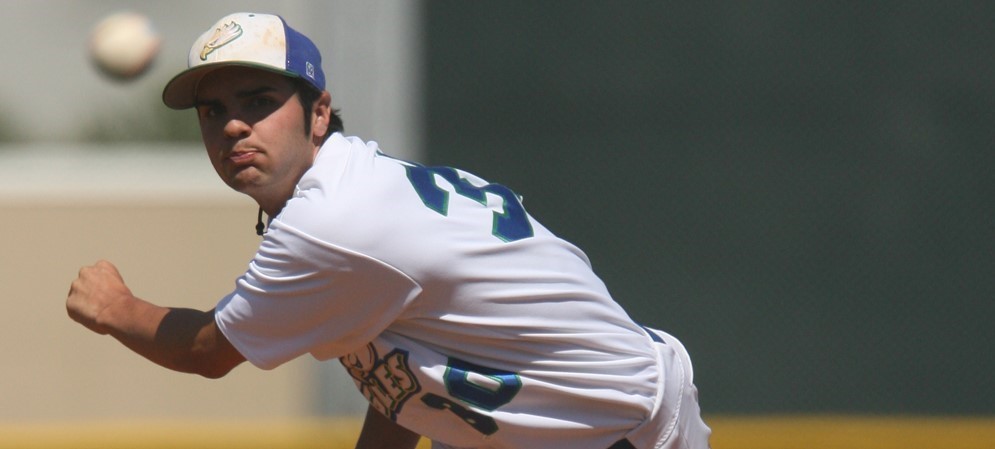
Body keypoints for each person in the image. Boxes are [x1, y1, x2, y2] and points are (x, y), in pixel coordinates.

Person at [66, 12, 712, 449]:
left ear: (318, 113)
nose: (232, 126)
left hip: (612, 424)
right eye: (214, 111)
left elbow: (206, 350)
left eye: (258, 102)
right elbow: (401, 373)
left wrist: (117, 307)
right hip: (593, 412)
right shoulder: (360, 191)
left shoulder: (334, 220)